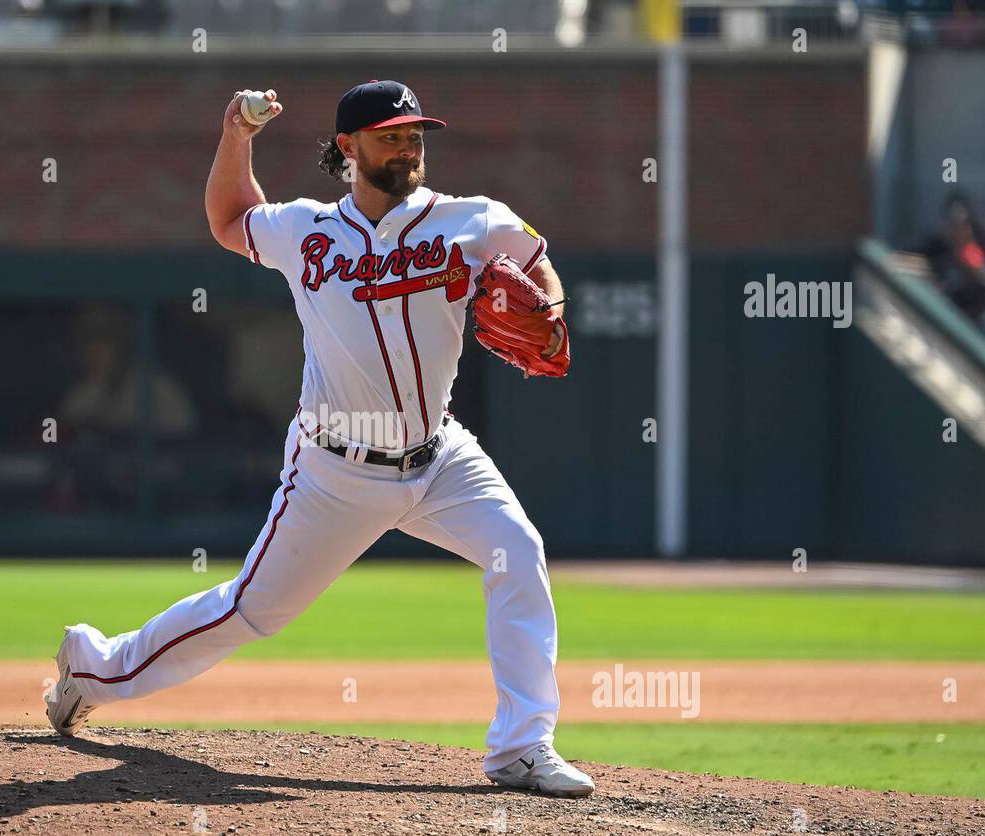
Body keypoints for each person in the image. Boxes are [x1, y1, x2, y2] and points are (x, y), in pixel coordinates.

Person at [45, 80, 593, 798]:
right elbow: (229, 217)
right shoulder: (307, 231)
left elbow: (535, 259)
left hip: (440, 453)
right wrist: (238, 137)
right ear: (349, 146)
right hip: (337, 469)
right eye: (391, 134)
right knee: (249, 611)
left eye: (415, 134)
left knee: (517, 551)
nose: (408, 146)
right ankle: (94, 666)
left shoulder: (472, 219)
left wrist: (547, 305)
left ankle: (522, 748)